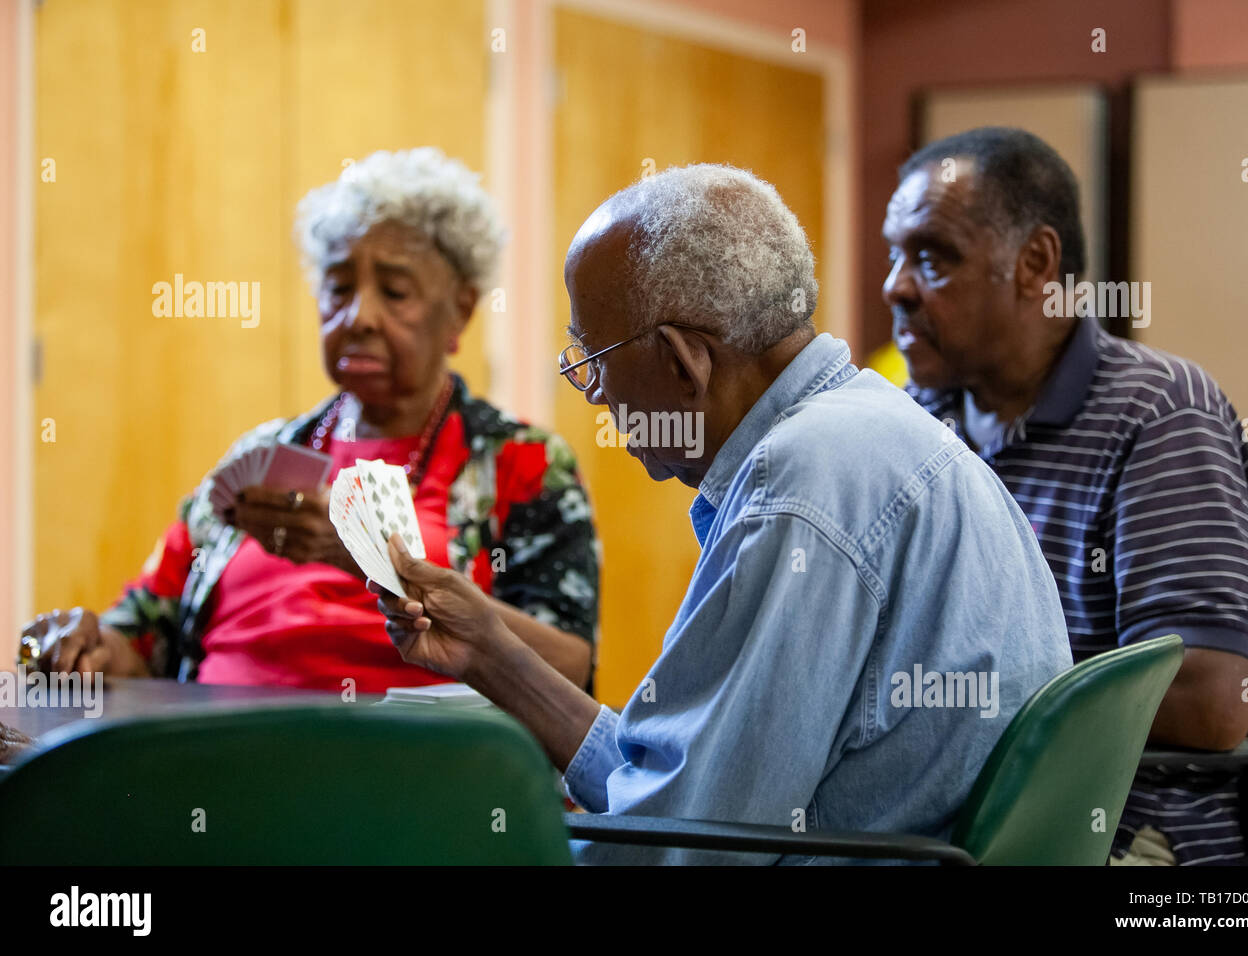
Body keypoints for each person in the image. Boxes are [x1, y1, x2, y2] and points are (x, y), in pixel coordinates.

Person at [372, 163, 1073, 864]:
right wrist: (491, 653)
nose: (592, 394)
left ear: (685, 362)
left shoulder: (803, 483)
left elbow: (685, 850)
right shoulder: (870, 430)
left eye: (593, 357)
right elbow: (688, 790)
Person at [22, 148, 599, 693]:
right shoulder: (262, 455)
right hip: (212, 763)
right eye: (339, 287)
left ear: (462, 310)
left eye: (395, 292)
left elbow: (569, 668)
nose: (360, 316)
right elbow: (144, 632)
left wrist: (369, 557)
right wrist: (87, 646)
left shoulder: (519, 459)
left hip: (422, 773)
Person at [883, 126, 1248, 865]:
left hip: (1125, 835)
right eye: (893, 255)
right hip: (946, 823)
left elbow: (1213, 704)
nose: (895, 285)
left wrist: (943, 700)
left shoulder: (1159, 411)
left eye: (932, 256)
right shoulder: (917, 421)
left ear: (1035, 264)